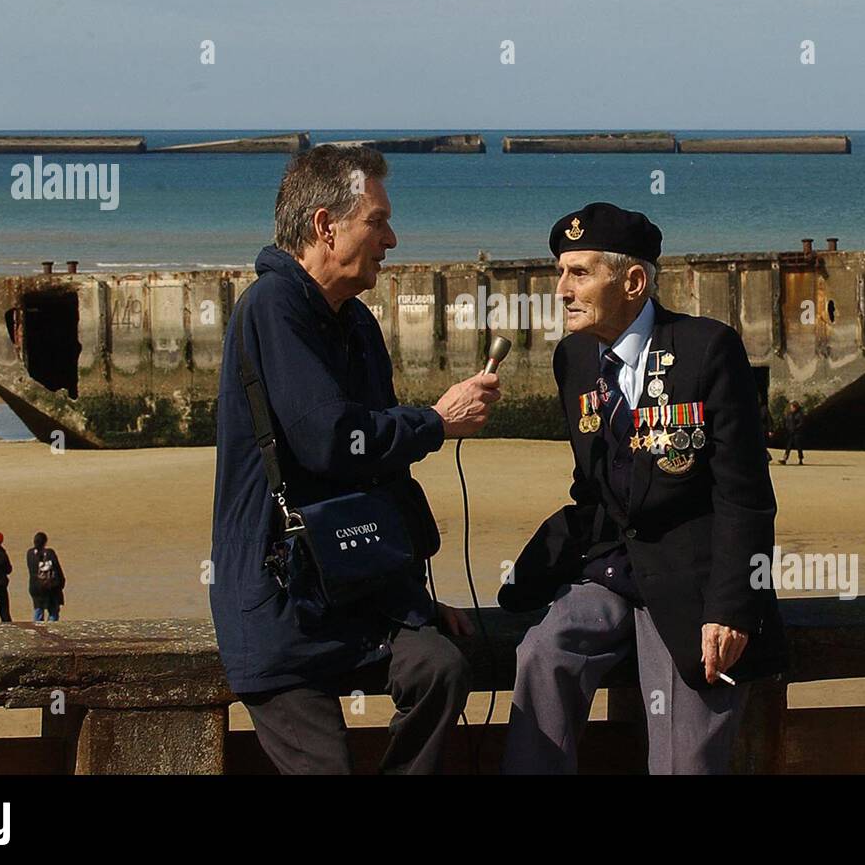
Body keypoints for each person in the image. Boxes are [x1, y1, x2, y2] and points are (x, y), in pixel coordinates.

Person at [211, 145, 499, 775]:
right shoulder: (271, 307)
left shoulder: (357, 323)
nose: (391, 238)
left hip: (361, 588)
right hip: (281, 601)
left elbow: (379, 475)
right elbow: (331, 440)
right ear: (325, 225)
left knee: (443, 668)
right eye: (378, 221)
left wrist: (416, 599)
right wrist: (436, 422)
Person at [498, 202, 786, 774]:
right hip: (611, 568)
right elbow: (592, 487)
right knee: (540, 654)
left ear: (633, 281)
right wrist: (542, 571)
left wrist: (731, 609)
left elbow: (745, 495)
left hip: (693, 583)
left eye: (579, 273)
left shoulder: (707, 349)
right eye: (560, 272)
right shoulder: (573, 358)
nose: (561, 290)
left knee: (684, 760)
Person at [26, 532, 66, 622]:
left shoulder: (30, 553)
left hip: (35, 586)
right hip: (50, 587)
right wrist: (61, 583)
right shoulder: (50, 553)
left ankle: (38, 630)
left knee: (38, 609)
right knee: (53, 611)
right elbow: (57, 568)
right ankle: (51, 630)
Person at [780, 400, 805, 465]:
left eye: (792, 407)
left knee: (798, 447)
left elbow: (801, 423)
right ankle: (784, 459)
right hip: (790, 433)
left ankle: (800, 459)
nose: (791, 408)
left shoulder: (799, 414)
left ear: (795, 407)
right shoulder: (789, 414)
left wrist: (795, 428)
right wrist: (786, 427)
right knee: (788, 447)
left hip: (797, 433)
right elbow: (786, 421)